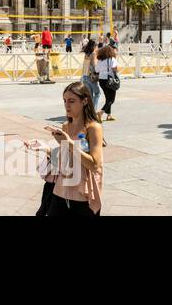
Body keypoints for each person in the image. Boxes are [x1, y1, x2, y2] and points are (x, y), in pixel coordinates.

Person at [43, 82, 104, 216]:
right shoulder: (66, 126)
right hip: (62, 189)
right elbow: (67, 159)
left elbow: (94, 165)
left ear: (85, 101)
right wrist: (46, 150)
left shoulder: (93, 128)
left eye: (71, 101)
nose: (67, 105)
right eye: (64, 101)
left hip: (83, 194)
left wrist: (69, 143)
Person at [95, 44, 119, 121]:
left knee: (108, 98)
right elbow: (115, 69)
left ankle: (109, 115)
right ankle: (101, 112)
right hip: (110, 80)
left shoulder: (100, 60)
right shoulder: (112, 59)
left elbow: (96, 70)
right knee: (112, 100)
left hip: (101, 80)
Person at [80, 39, 101, 113]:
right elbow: (95, 66)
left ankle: (88, 111)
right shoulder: (93, 54)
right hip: (90, 77)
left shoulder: (87, 54)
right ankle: (93, 111)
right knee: (98, 93)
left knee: (90, 96)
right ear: (94, 46)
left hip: (84, 76)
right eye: (97, 45)